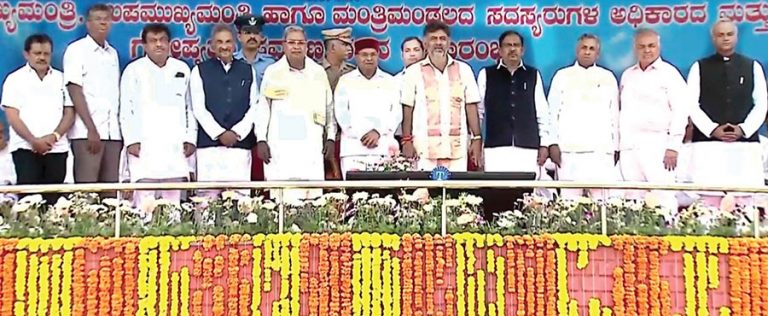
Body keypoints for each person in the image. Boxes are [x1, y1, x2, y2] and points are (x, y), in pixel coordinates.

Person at [687, 19, 767, 207]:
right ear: (713, 38)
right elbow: (691, 104)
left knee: (746, 203)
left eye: (729, 34)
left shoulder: (752, 66)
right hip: (709, 146)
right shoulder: (699, 67)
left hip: (744, 147)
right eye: (721, 35)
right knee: (708, 204)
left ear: (736, 37)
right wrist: (712, 129)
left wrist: (743, 129)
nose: (725, 38)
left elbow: (762, 104)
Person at [119, 23, 196, 207]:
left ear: (170, 43)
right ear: (144, 46)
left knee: (173, 206)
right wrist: (131, 140)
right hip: (144, 148)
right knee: (144, 205)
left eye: (162, 40)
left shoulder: (182, 69)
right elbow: (126, 109)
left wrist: (190, 138)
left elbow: (190, 108)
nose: (159, 45)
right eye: (153, 41)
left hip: (174, 148)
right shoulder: (133, 70)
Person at [255, 25, 334, 202]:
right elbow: (263, 108)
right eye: (292, 42)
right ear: (284, 45)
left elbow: (329, 108)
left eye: (300, 43)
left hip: (311, 148)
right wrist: (261, 139)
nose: (296, 47)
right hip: (282, 150)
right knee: (285, 203)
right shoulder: (273, 72)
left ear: (307, 46)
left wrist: (330, 138)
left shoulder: (318, 72)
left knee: (312, 205)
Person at [618, 28, 690, 211]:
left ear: (659, 46)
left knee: (663, 196)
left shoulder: (669, 73)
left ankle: (667, 237)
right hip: (630, 146)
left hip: (658, 145)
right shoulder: (628, 75)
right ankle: (634, 240)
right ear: (635, 48)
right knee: (632, 197)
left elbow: (681, 111)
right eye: (642, 46)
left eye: (651, 46)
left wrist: (673, 146)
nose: (647, 50)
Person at [400, 20, 483, 171]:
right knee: (423, 193)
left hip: (456, 149)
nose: (438, 43)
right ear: (425, 43)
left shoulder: (464, 70)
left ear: (449, 43)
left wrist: (477, 138)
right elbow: (408, 108)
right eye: (433, 39)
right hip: (423, 150)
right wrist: (406, 141)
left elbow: (471, 106)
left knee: (457, 193)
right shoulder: (413, 72)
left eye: (442, 39)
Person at [2, 33, 75, 204]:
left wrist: (54, 136)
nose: (42, 57)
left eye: (46, 54)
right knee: (28, 201)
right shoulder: (15, 80)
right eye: (37, 53)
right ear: (26, 54)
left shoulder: (62, 79)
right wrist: (33, 141)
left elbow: (69, 112)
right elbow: (12, 116)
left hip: (56, 148)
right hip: (25, 149)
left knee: (54, 201)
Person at [547, 33, 620, 200]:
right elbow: (552, 112)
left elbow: (614, 114)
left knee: (601, 203)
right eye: (584, 48)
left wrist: (615, 147)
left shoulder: (607, 77)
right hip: (569, 151)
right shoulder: (562, 76)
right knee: (569, 204)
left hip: (601, 151)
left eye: (592, 48)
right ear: (577, 50)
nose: (587, 52)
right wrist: (553, 144)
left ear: (598, 54)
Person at [189, 24, 258, 198]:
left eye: (228, 41)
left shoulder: (247, 70)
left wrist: (236, 133)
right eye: (219, 42)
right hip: (209, 148)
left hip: (239, 147)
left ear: (235, 44)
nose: (224, 46)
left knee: (241, 204)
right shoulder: (199, 71)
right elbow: (199, 108)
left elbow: (254, 106)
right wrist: (219, 133)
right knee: (206, 204)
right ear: (212, 46)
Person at [63, 3, 122, 193]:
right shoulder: (76, 50)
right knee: (86, 194)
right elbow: (74, 89)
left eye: (106, 19)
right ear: (88, 23)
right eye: (98, 19)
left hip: (112, 133)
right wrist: (91, 129)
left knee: (110, 195)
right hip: (87, 133)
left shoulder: (112, 54)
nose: (103, 23)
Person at [477, 30, 551, 176]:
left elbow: (542, 113)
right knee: (497, 192)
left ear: (522, 50)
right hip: (495, 148)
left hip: (527, 147)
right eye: (507, 45)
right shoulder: (486, 74)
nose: (512, 49)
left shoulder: (532, 75)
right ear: (499, 50)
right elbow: (479, 112)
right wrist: (475, 141)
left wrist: (544, 144)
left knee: (527, 195)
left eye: (516, 45)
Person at [334, 38, 402, 178]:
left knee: (384, 197)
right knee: (355, 196)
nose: (369, 58)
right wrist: (362, 134)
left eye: (373, 54)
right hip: (353, 150)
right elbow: (341, 114)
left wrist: (377, 132)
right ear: (356, 57)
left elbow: (396, 113)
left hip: (383, 148)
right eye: (364, 55)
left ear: (378, 56)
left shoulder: (390, 81)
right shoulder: (345, 81)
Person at [232, 13, 276, 195]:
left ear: (262, 37)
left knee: (264, 178)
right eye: (247, 32)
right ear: (239, 36)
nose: (252, 36)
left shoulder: (272, 65)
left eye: (256, 33)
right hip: (238, 127)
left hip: (265, 129)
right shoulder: (230, 62)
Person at [394, 37, 425, 143]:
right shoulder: (394, 81)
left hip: (426, 137)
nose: (412, 54)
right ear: (402, 55)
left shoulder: (433, 78)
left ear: (423, 52)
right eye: (408, 51)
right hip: (400, 137)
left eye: (416, 50)